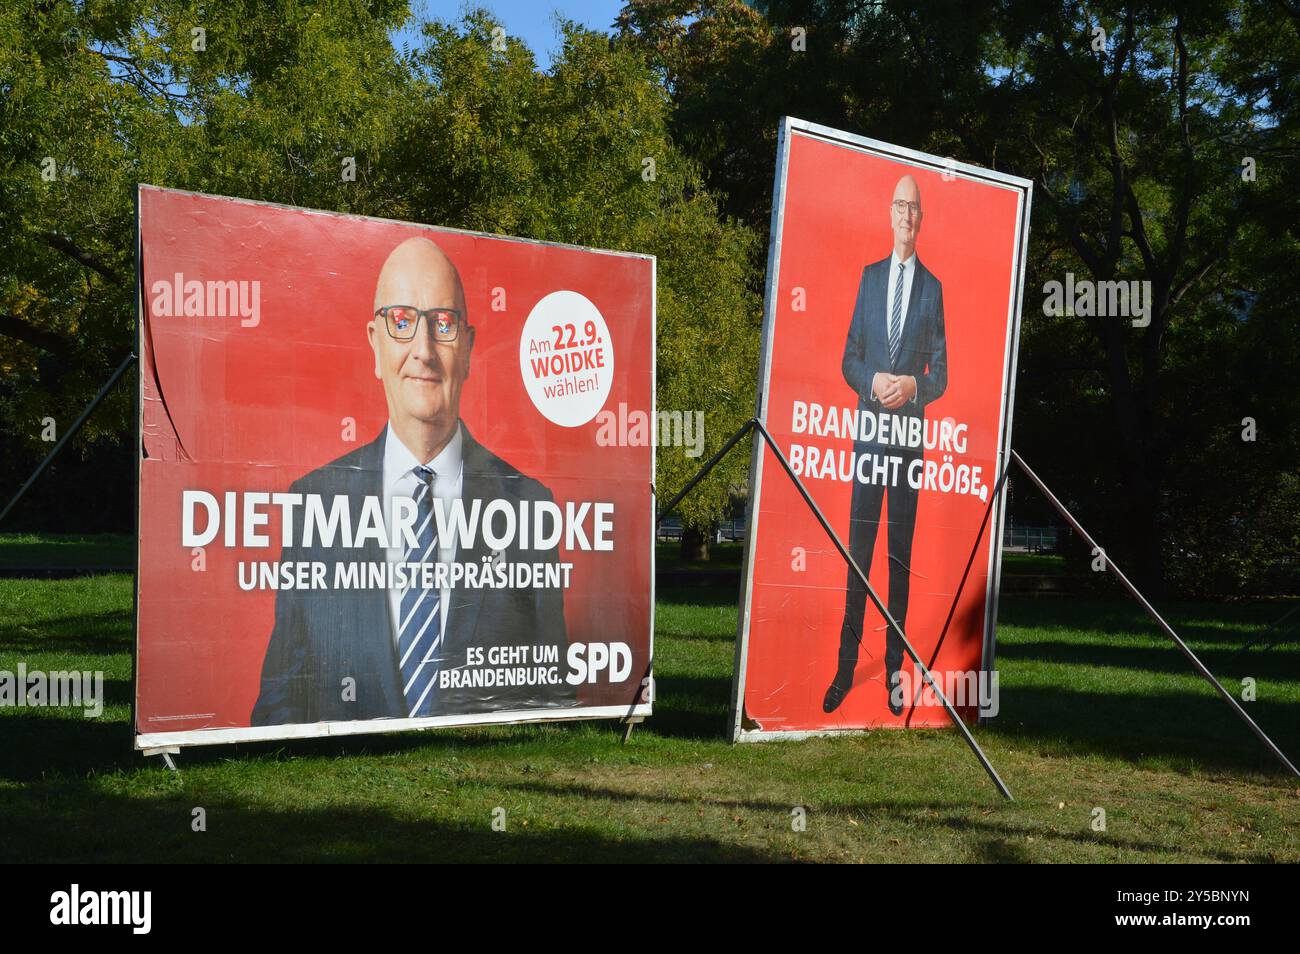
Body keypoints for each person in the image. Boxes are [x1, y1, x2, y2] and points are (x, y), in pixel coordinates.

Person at [251, 236, 569, 726]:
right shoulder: (314, 501)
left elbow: (552, 695)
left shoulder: (528, 503)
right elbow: (280, 701)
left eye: (442, 324)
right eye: (401, 323)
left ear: (467, 347)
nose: (423, 350)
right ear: (374, 344)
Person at [825, 174, 947, 716]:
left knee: (899, 560)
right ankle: (844, 668)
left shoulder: (934, 289)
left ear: (921, 219)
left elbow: (941, 373)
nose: (906, 215)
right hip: (868, 441)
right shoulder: (869, 279)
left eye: (914, 208)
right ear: (889, 213)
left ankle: (895, 671)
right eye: (900, 205)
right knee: (859, 558)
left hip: (908, 446)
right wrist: (871, 381)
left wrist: (915, 387)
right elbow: (849, 358)